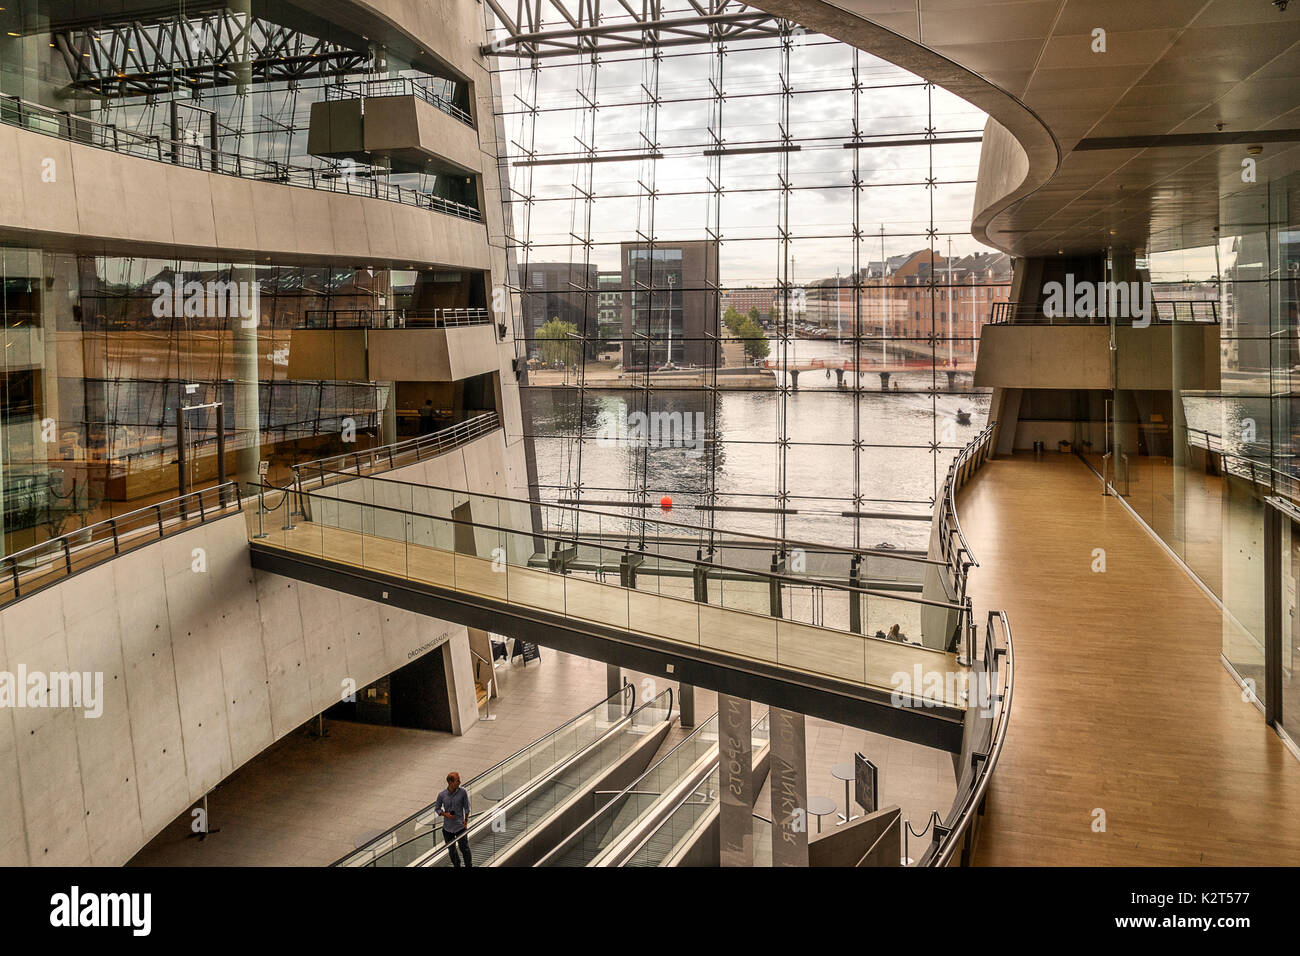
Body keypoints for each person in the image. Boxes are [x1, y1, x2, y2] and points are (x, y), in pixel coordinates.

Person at [434, 772, 472, 867]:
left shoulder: (463, 792)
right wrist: (445, 814)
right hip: (447, 829)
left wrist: (466, 822)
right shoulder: (442, 795)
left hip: (460, 826)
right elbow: (437, 809)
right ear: (450, 782)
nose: (460, 782)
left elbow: (467, 808)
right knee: (452, 850)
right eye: (457, 780)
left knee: (465, 849)